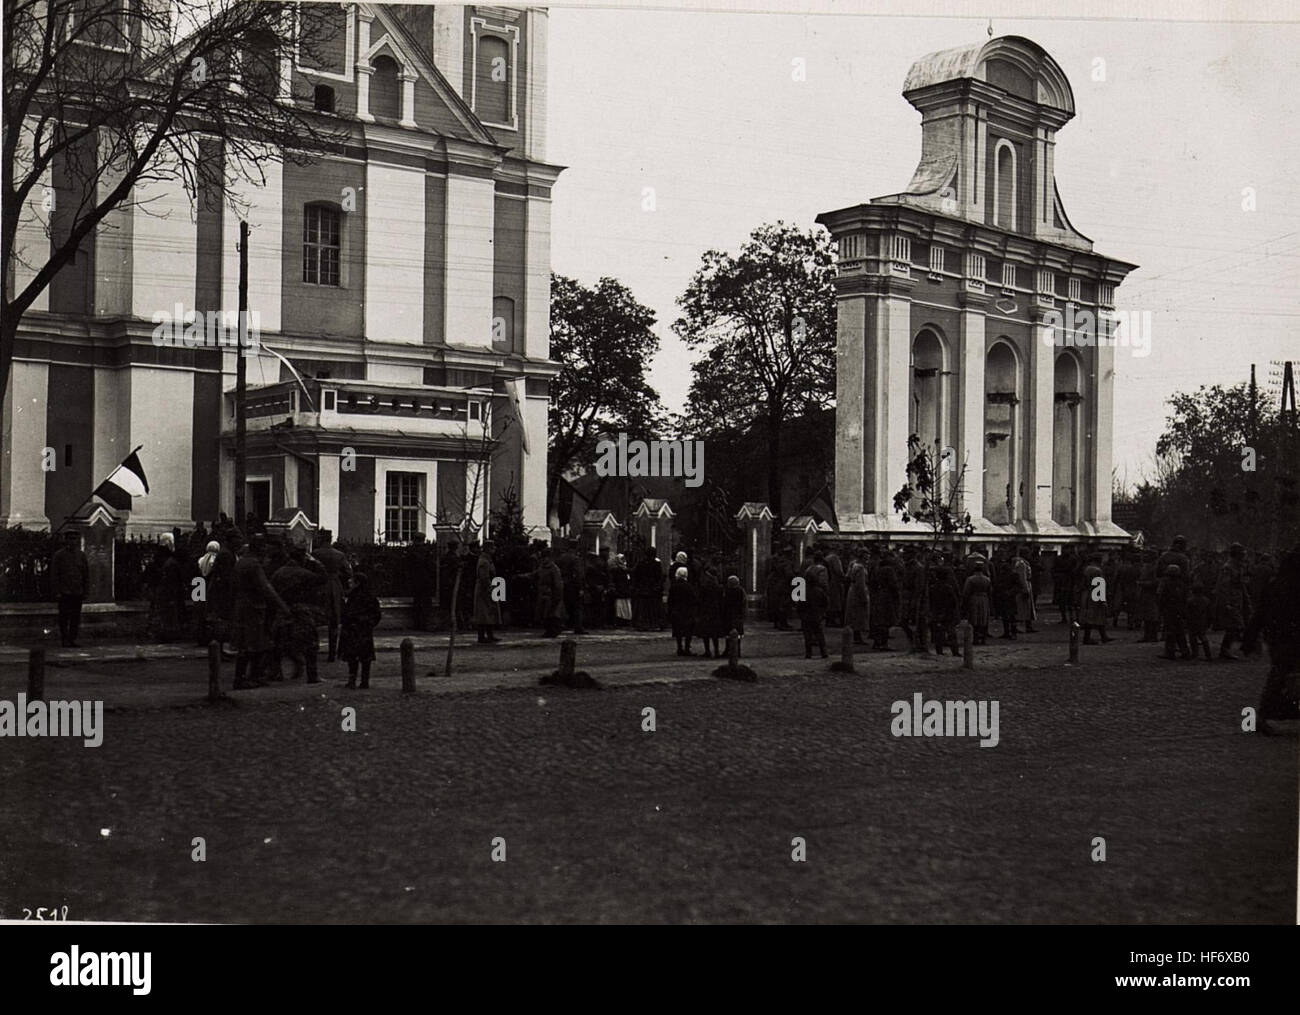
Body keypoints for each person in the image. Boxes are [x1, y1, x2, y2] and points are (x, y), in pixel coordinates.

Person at [1243, 545, 1300, 734]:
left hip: (1277, 638)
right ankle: (1264, 715)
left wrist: (1249, 639)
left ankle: (1267, 714)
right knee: (1280, 676)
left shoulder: (1274, 584)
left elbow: (1259, 614)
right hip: (1290, 637)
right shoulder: (1293, 586)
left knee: (1280, 674)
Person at [231, 538, 289, 690]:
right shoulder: (254, 564)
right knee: (253, 644)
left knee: (248, 644)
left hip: (242, 606)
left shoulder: (241, 561)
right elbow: (266, 587)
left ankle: (248, 677)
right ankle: (246, 678)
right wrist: (282, 605)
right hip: (253, 607)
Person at [271, 545, 328, 683]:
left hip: (282, 610)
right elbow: (323, 578)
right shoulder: (303, 573)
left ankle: (277, 673)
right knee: (310, 644)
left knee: (279, 644)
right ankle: (312, 675)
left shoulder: (279, 572)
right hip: (301, 610)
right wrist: (314, 561)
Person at [313, 534, 352, 660]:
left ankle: (313, 651)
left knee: (314, 620)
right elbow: (348, 572)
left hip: (319, 586)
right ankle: (332, 653)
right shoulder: (339, 555)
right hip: (335, 587)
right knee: (334, 622)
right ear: (330, 540)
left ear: (321, 539)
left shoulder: (315, 553)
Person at [339, 572, 381, 689]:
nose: (349, 582)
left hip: (357, 630)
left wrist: (362, 622)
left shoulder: (360, 597)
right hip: (361, 630)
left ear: (358, 583)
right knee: (362, 657)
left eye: (352, 580)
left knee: (355, 657)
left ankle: (356, 681)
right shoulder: (363, 596)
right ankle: (363, 681)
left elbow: (375, 615)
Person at [50, 530, 89, 648]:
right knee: (64, 617)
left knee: (75, 618)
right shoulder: (59, 555)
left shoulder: (81, 555)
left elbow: (86, 574)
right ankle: (65, 639)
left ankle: (72, 639)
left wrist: (85, 591)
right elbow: (54, 574)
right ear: (65, 540)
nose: (73, 541)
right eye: (70, 538)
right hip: (64, 592)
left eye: (75, 539)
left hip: (77, 591)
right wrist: (57, 591)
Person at [1214, 542, 1251, 661]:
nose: (1243, 556)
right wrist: (1226, 603)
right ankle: (1225, 650)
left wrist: (1246, 598)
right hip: (1231, 601)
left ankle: (1225, 650)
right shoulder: (1228, 567)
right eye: (1241, 554)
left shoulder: (1238, 566)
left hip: (1237, 600)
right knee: (1236, 625)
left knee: (1234, 626)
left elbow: (1242, 585)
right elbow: (1223, 586)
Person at [1158, 564, 1191, 661]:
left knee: (1169, 631)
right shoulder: (1182, 584)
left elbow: (1162, 597)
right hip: (1180, 610)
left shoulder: (1166, 584)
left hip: (1169, 610)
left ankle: (1170, 652)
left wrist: (1161, 609)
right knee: (1180, 632)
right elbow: (1186, 598)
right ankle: (1185, 651)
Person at [928, 562, 961, 657]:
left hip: (936, 611)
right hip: (948, 612)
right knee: (951, 633)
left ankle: (939, 651)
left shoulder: (932, 588)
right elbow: (954, 601)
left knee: (939, 633)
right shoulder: (948, 588)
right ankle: (955, 651)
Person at [472, 540, 502, 643]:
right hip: (484, 590)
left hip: (489, 587)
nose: (494, 549)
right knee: (483, 613)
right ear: (488, 549)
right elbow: (484, 577)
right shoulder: (484, 561)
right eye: (492, 548)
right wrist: (489, 589)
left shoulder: (487, 560)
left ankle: (490, 634)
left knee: (489, 612)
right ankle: (482, 636)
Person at [1078, 552, 1112, 645]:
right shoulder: (1097, 571)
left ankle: (1103, 636)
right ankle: (1088, 638)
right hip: (1095, 594)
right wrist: (1102, 599)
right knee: (1096, 615)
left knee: (1093, 616)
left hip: (1087, 593)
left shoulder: (1087, 569)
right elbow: (1099, 584)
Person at [667, 566, 698, 656]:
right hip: (687, 611)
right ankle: (687, 648)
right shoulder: (689, 587)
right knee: (688, 631)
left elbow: (670, 600)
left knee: (678, 630)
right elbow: (694, 599)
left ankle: (679, 647)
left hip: (676, 611)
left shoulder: (674, 587)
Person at [696, 563, 726, 659]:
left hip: (706, 610)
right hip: (715, 611)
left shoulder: (705, 586)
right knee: (715, 633)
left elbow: (700, 599)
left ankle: (707, 650)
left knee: (706, 633)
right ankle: (716, 650)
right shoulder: (718, 587)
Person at [535, 547, 564, 638]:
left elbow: (558, 584)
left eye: (545, 557)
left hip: (551, 594)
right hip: (543, 593)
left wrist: (557, 596)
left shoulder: (554, 569)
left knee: (552, 614)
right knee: (545, 613)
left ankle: (553, 630)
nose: (543, 559)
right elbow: (535, 574)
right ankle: (549, 630)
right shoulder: (542, 567)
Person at [632, 547, 663, 631]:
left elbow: (635, 575)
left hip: (644, 588)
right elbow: (660, 577)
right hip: (650, 588)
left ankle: (643, 624)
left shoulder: (641, 563)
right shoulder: (655, 564)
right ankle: (651, 624)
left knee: (644, 609)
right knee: (650, 609)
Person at [961, 561, 992, 645]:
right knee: (983, 618)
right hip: (984, 599)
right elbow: (990, 591)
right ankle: (983, 639)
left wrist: (964, 602)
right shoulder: (987, 579)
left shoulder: (970, 579)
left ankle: (975, 638)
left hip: (974, 598)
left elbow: (966, 592)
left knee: (974, 618)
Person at [798, 573, 829, 659]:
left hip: (806, 616)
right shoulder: (820, 591)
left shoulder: (803, 591)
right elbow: (826, 602)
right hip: (817, 615)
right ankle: (824, 652)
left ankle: (808, 653)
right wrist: (823, 613)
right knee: (820, 635)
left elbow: (799, 605)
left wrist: (801, 615)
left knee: (808, 636)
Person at [843, 552, 870, 645]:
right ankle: (857, 636)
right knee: (859, 615)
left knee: (853, 615)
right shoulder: (861, 568)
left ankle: (855, 635)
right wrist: (864, 597)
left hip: (852, 591)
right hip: (858, 593)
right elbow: (861, 584)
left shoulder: (853, 566)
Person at [768, 547, 795, 630]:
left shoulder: (778, 561)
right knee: (784, 605)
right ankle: (783, 623)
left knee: (777, 605)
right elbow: (789, 575)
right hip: (784, 587)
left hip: (775, 586)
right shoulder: (787, 563)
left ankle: (777, 623)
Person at [1011, 548, 1037, 633]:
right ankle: (1021, 626)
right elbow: (1022, 577)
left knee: (1027, 607)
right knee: (1023, 607)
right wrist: (1025, 589)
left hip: (1025, 584)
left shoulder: (1021, 562)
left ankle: (1028, 625)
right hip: (1023, 586)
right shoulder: (1021, 563)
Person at [1186, 581, 1213, 662]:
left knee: (1192, 638)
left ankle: (1195, 654)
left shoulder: (1190, 600)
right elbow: (1210, 613)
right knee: (1203, 637)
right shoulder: (1207, 600)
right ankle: (1208, 655)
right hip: (1203, 621)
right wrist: (1209, 622)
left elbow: (1187, 612)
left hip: (1193, 621)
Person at [723, 575, 747, 657]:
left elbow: (724, 603)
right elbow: (744, 603)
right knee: (738, 634)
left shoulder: (727, 591)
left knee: (728, 634)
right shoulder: (741, 591)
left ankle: (728, 650)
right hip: (738, 615)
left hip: (728, 615)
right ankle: (738, 651)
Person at [609, 553, 633, 627]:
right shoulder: (616, 570)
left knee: (625, 605)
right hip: (620, 590)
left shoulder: (625, 569)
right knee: (620, 605)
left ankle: (625, 619)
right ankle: (620, 619)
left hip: (625, 591)